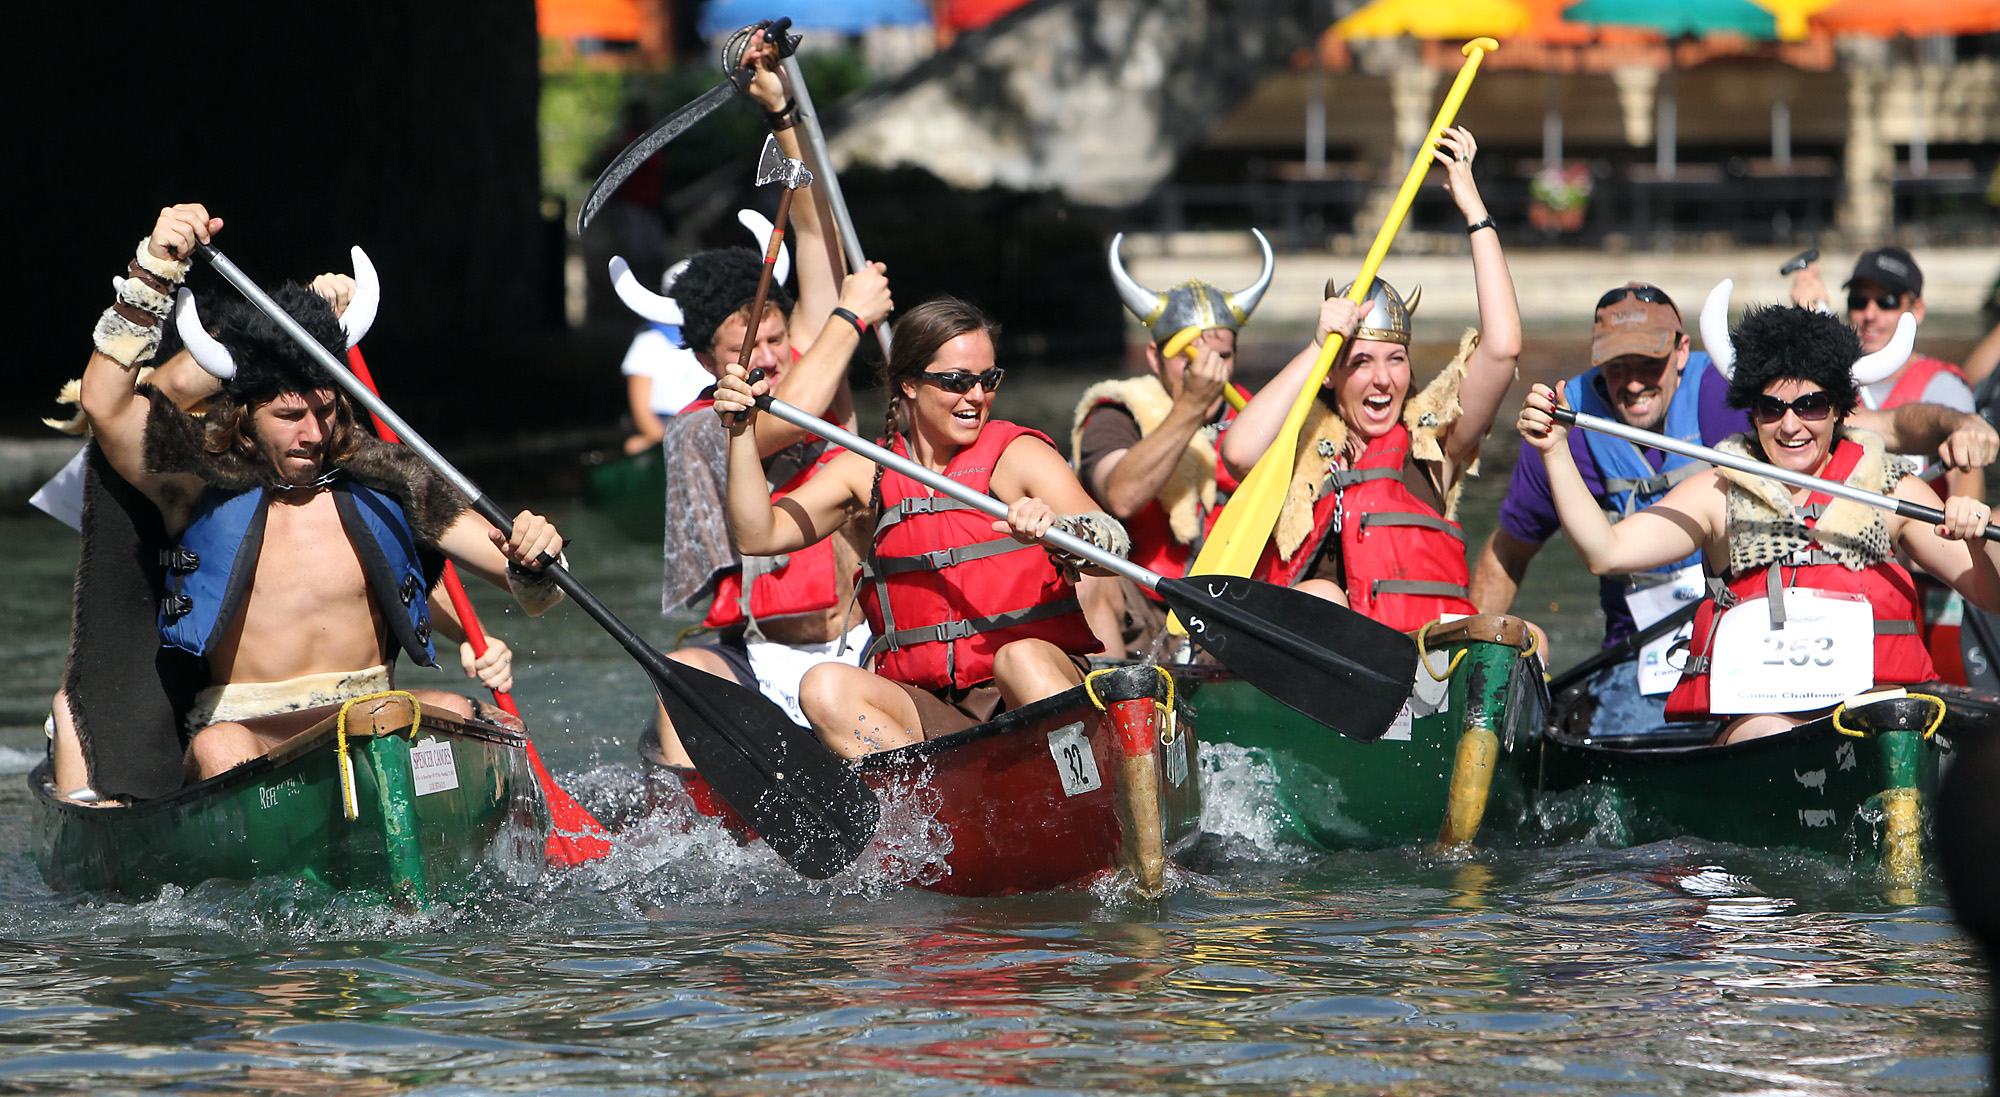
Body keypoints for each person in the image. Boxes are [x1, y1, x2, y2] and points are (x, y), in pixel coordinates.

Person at [77, 203, 569, 784]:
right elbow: (103, 403)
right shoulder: (197, 478)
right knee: (220, 750)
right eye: (288, 415)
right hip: (248, 729)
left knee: (464, 717)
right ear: (244, 411)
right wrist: (154, 269)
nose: (311, 433)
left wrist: (539, 554)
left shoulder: (391, 475)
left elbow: (531, 584)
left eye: (324, 409)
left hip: (374, 718)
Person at [1471, 281, 1996, 734]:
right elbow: (1606, 552)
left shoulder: (1889, 489)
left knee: (1892, 716)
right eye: (1772, 407)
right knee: (1765, 731)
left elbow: (1990, 596)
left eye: (1811, 406)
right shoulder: (1717, 492)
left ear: (1837, 409)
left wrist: (1975, 530)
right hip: (1763, 724)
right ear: (1752, 411)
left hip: (1877, 712)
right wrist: (1555, 451)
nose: (1791, 426)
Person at [710, 296, 1129, 758]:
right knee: (824, 685)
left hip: (1033, 690)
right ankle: (940, 810)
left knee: (1020, 658)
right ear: (909, 383)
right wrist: (741, 433)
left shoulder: (1017, 455)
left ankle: (1084, 793)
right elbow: (759, 535)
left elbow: (1114, 550)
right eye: (956, 381)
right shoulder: (869, 469)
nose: (976, 396)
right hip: (932, 711)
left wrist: (1062, 531)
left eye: (988, 380)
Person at [1219, 126, 1519, 633]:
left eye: (1395, 360)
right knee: (1321, 595)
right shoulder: (1299, 445)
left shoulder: (1433, 447)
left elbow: (1504, 346)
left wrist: (1474, 213)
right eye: (1360, 363)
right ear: (1332, 377)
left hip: (1427, 667)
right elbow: (1238, 451)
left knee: (1529, 639)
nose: (1383, 380)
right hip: (1330, 678)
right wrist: (1317, 347)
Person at [1070, 229, 1272, 656]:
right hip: (1146, 612)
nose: (1207, 371)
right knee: (1089, 581)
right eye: (1188, 357)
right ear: (1152, 357)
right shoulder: (1115, 413)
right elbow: (1121, 496)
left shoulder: (1260, 417)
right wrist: (1192, 408)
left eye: (1221, 356)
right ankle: (1118, 710)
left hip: (1239, 614)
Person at [1791, 247, 1982, 499]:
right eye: (1859, 301)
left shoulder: (1943, 386)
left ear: (1918, 310)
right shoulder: (1822, 378)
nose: (1870, 315)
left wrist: (1962, 512)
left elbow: (1967, 473)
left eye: (1887, 302)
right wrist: (1809, 328)